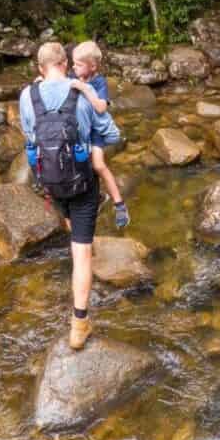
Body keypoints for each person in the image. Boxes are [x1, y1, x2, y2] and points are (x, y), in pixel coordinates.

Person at [19, 42, 121, 350]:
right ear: (65, 63)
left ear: (40, 68)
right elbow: (113, 133)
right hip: (82, 184)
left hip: (50, 182)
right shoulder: (81, 93)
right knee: (82, 254)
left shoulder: (27, 95)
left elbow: (30, 136)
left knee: (71, 232)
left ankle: (74, 236)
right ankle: (79, 325)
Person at [68, 40, 130, 229]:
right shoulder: (72, 75)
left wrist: (85, 88)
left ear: (92, 66)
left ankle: (120, 205)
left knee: (98, 165)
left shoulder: (98, 82)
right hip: (80, 127)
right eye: (73, 63)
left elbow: (102, 107)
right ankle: (94, 196)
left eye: (78, 64)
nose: (74, 67)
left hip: (95, 130)